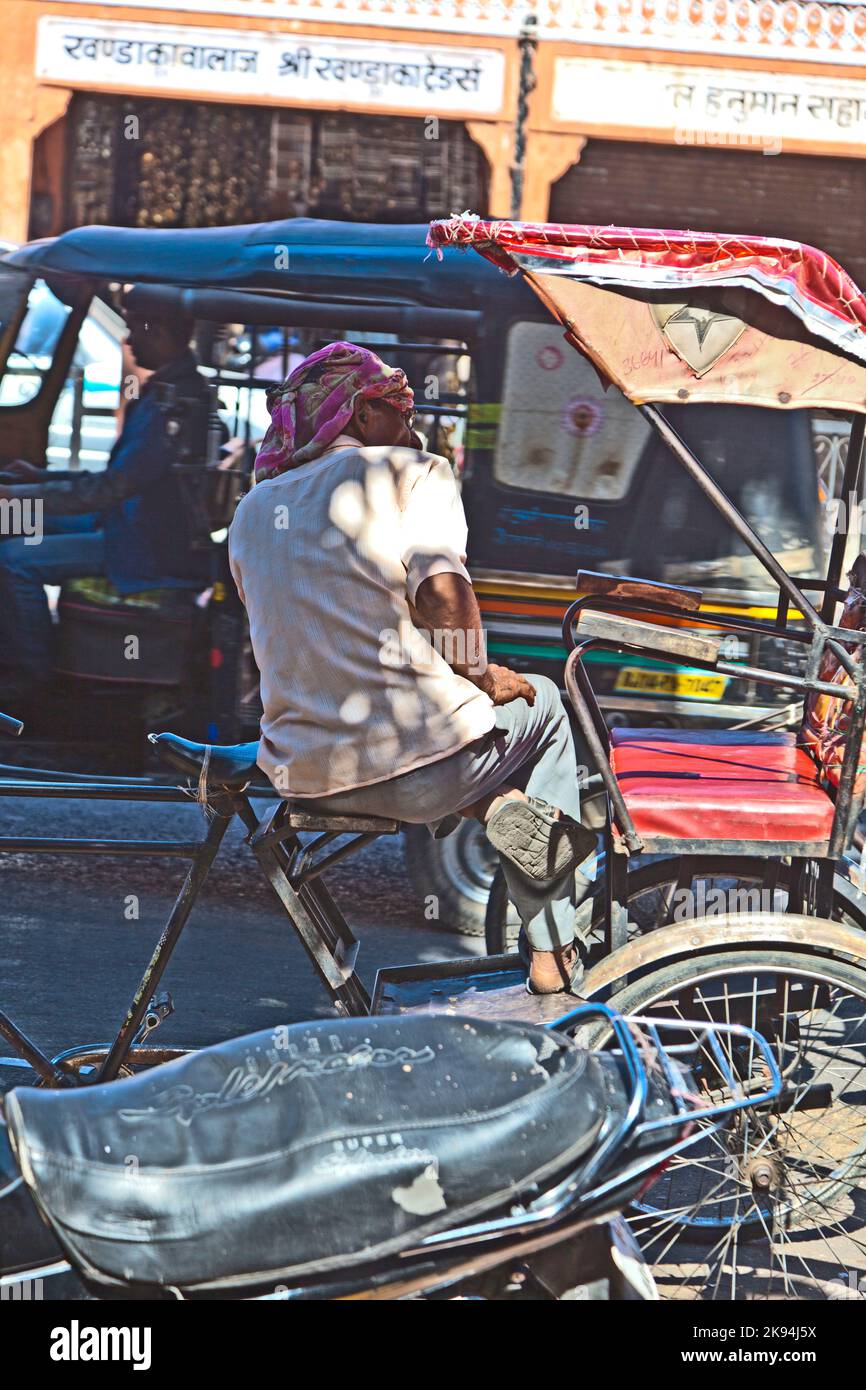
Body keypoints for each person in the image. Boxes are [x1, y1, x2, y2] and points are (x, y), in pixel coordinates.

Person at [228, 342, 596, 995]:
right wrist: (482, 676)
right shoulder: (410, 471)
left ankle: (502, 808)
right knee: (546, 703)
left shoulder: (253, 510)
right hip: (418, 766)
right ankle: (553, 947)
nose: (411, 421)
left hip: (305, 774)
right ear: (362, 415)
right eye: (399, 408)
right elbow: (442, 596)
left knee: (452, 728)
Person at [0, 304, 212, 701]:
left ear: (162, 333)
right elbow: (113, 482)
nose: (129, 342)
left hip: (142, 545)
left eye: (135, 331)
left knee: (14, 560)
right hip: (128, 522)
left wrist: (19, 496)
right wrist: (39, 479)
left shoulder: (176, 404)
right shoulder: (167, 392)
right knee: (20, 523)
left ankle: (32, 675)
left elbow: (112, 487)